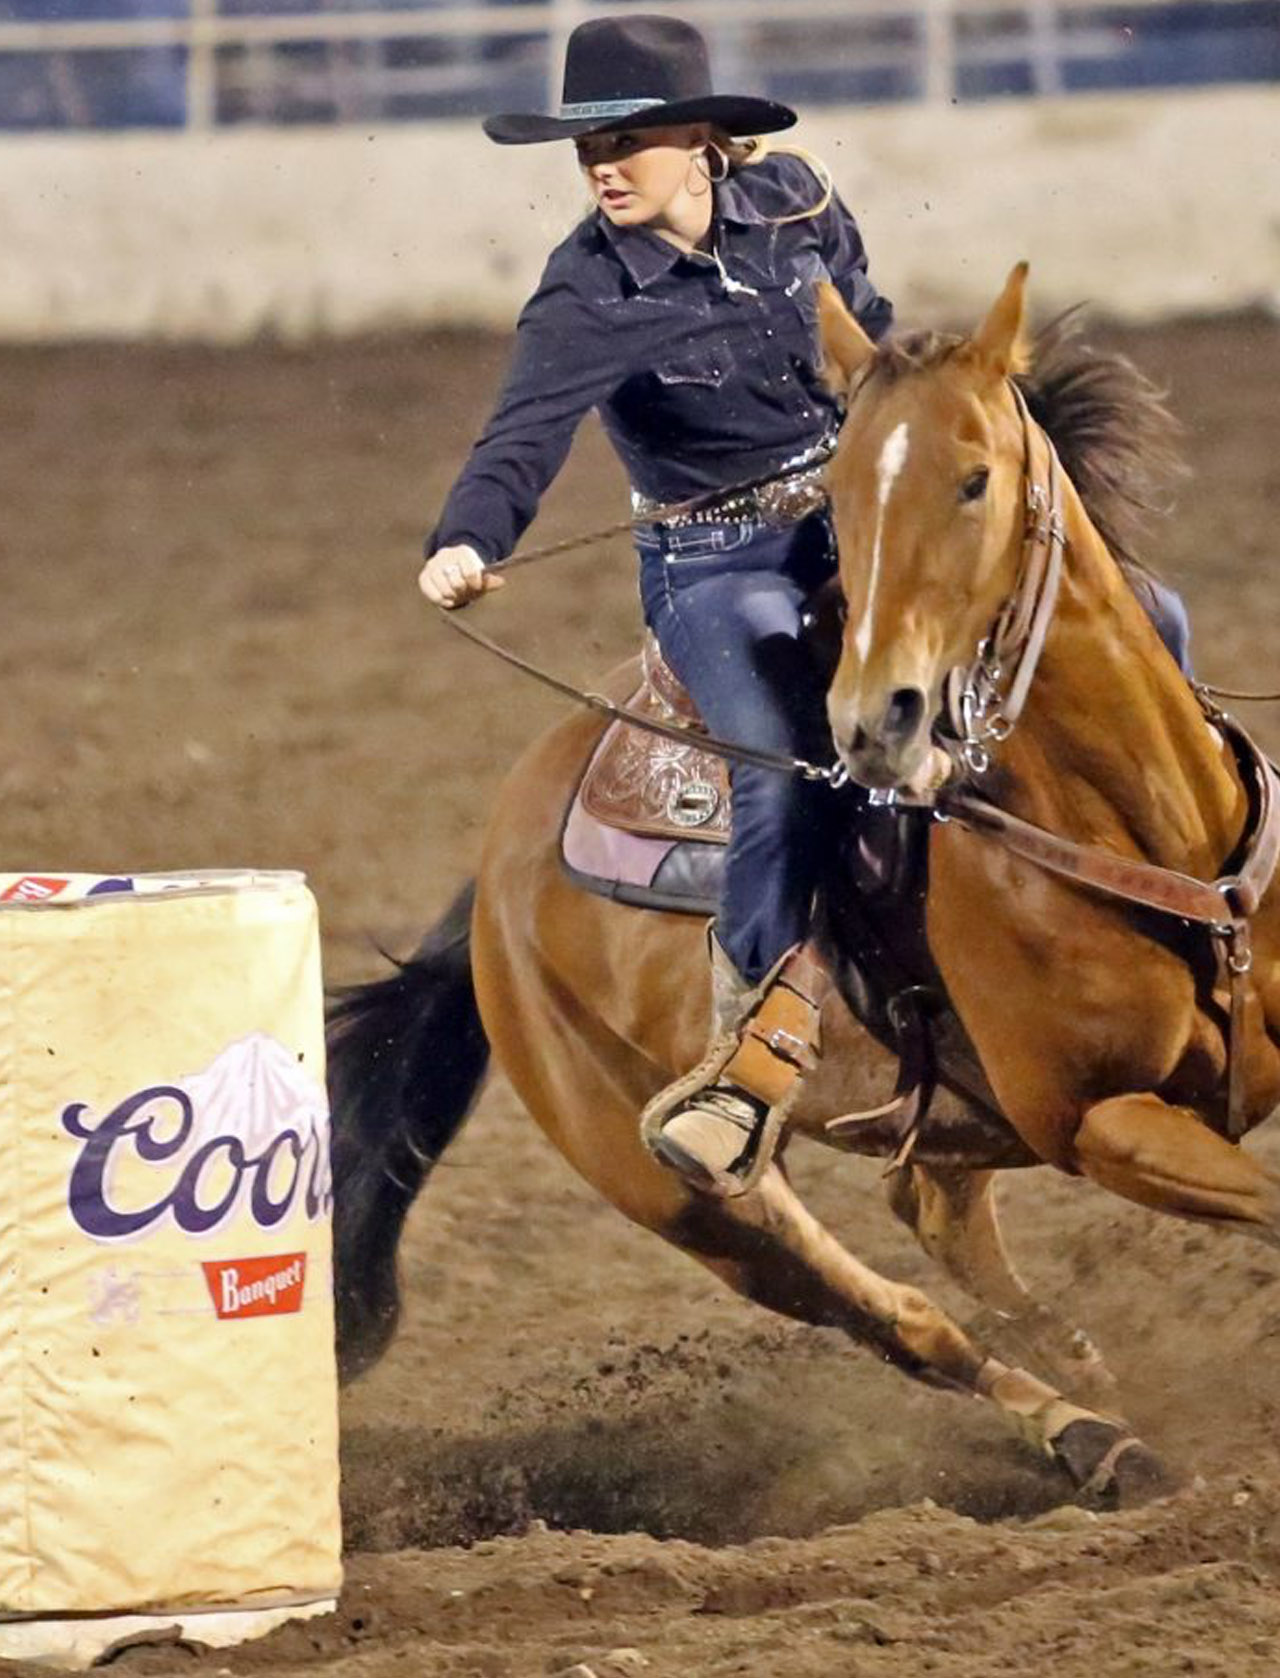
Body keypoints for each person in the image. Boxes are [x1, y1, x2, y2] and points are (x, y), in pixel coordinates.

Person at [419, 12, 888, 1195]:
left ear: (700, 141)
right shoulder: (587, 289)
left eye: (624, 141)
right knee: (778, 764)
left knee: (1106, 624)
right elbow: (519, 438)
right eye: (585, 151)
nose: (601, 169)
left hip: (861, 524)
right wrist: (468, 537)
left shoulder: (796, 205)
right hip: (717, 570)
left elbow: (872, 336)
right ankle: (749, 1051)